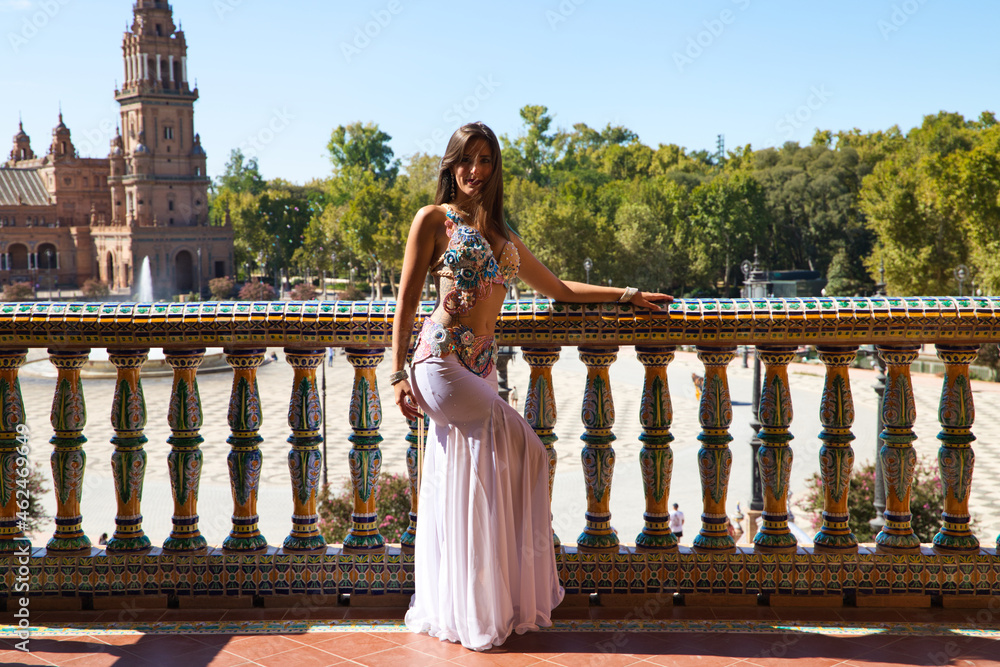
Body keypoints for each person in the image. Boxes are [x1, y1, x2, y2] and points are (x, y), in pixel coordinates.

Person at [390, 122, 672, 651]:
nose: (475, 171)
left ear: (495, 169)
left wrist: (627, 293)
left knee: (477, 481)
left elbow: (561, 289)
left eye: (485, 161)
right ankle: (488, 598)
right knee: (528, 451)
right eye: (465, 161)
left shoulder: (504, 236)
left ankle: (473, 604)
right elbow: (406, 301)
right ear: (450, 168)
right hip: (442, 361)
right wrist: (395, 372)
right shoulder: (433, 220)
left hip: (483, 369)